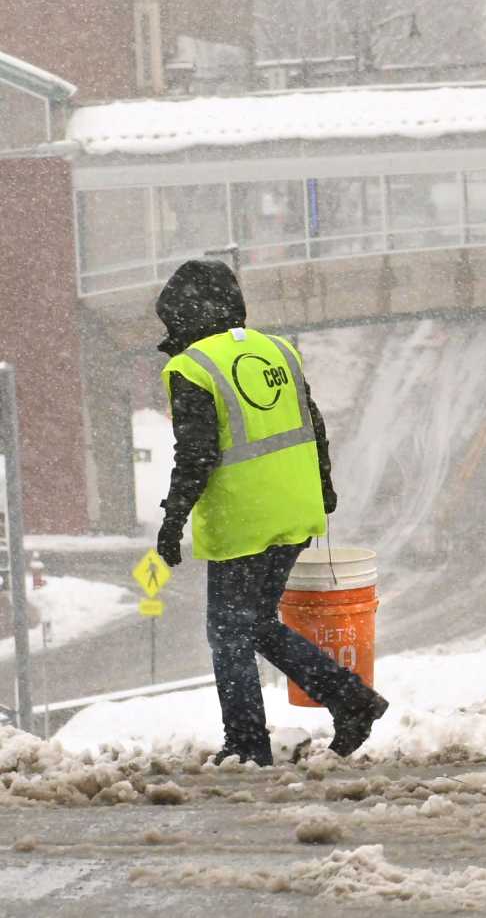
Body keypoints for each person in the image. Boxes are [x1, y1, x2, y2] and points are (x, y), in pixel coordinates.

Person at [154, 259, 389, 765]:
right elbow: (314, 423)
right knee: (254, 623)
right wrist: (324, 486)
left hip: (245, 518)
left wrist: (173, 520)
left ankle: (245, 745)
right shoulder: (277, 349)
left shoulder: (190, 368)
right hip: (295, 507)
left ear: (182, 317)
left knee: (228, 633)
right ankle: (352, 699)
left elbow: (195, 455)